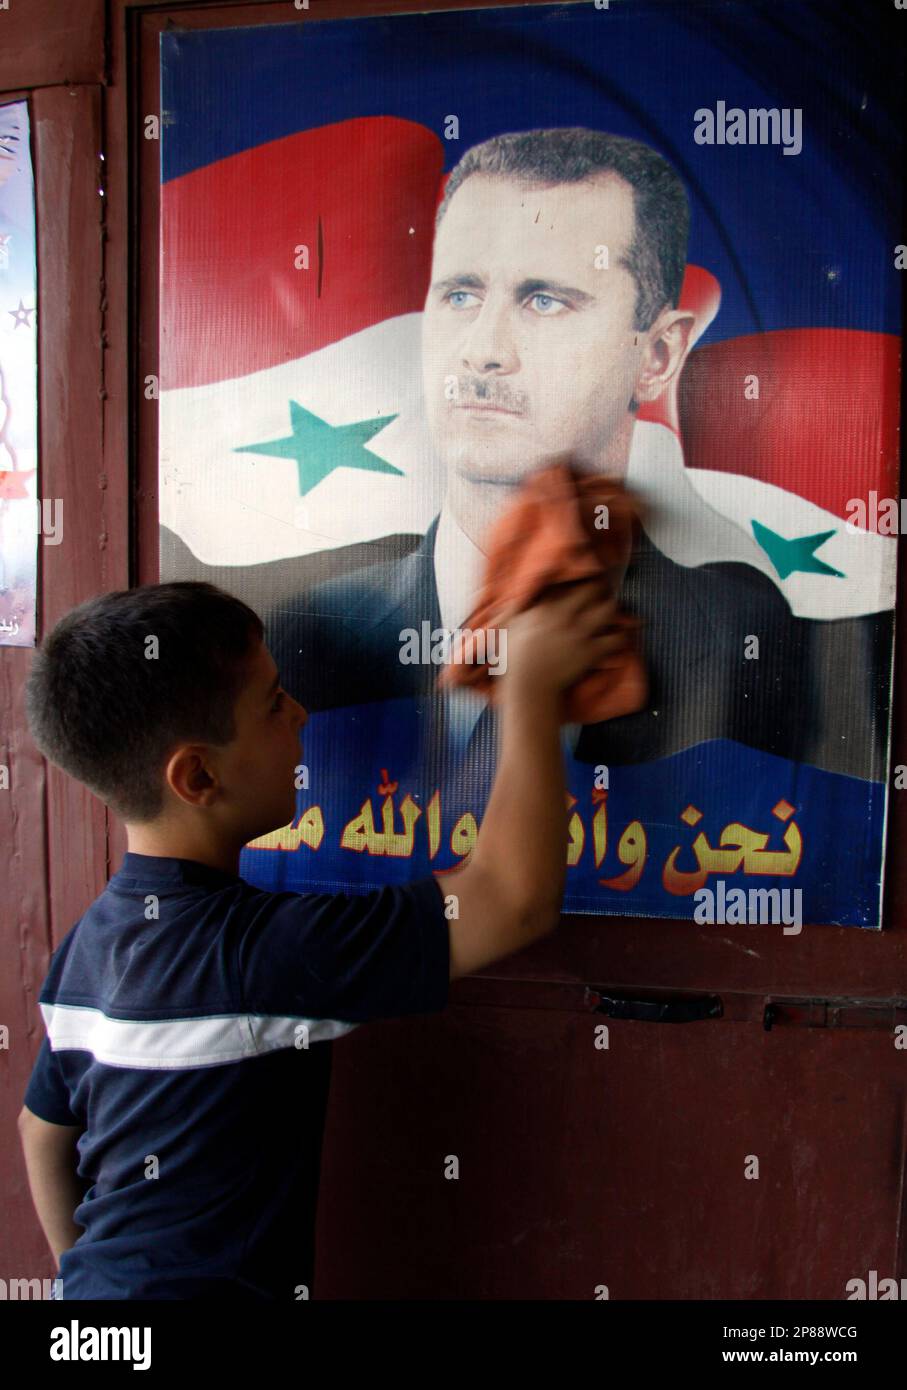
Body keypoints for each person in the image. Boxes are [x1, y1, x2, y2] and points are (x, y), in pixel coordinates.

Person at [17, 576, 622, 1300]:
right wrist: (531, 690)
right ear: (198, 775)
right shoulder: (257, 955)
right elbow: (511, 901)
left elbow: (39, 1131)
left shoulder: (88, 945)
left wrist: (87, 1281)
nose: (301, 713)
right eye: (274, 703)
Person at [267, 128, 888, 781]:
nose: (482, 351)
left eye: (544, 300)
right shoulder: (310, 635)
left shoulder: (750, 638)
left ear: (656, 356)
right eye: (460, 295)